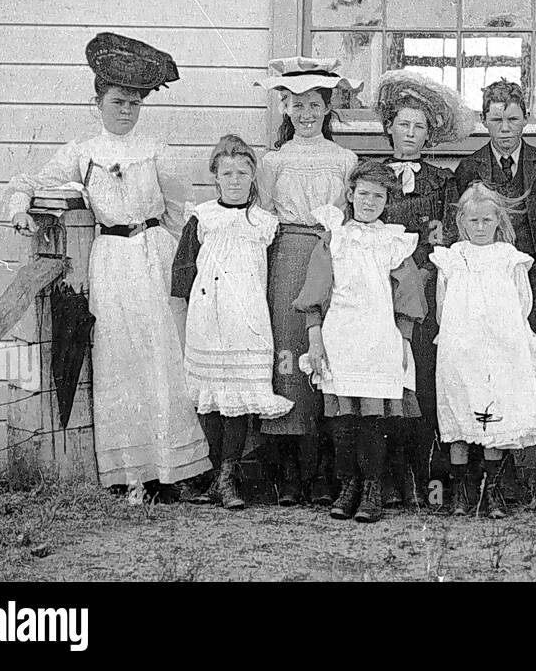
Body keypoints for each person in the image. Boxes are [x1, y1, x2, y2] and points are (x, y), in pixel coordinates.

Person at [8, 32, 210, 500]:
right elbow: (32, 178)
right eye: (119, 101)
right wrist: (21, 206)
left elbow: (183, 210)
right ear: (97, 101)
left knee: (164, 358)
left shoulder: (156, 148)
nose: (127, 110)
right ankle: (129, 473)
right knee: (118, 361)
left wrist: (184, 266)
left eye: (136, 103)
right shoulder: (84, 151)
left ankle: (174, 471)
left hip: (154, 253)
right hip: (113, 260)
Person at [294, 160, 426, 524]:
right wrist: (315, 339)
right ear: (350, 195)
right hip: (340, 335)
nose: (369, 202)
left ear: (388, 200)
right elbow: (317, 292)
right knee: (343, 412)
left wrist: (404, 341)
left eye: (378, 196)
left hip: (380, 337)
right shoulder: (333, 238)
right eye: (363, 194)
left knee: (373, 411)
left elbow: (407, 296)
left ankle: (372, 487)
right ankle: (349, 484)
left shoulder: (393, 241)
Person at [255, 57, 360, 505]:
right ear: (286, 110)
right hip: (287, 254)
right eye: (297, 106)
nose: (306, 114)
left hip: (331, 252)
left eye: (314, 105)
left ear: (327, 109)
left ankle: (326, 470)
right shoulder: (273, 161)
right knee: (289, 351)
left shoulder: (344, 159)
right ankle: (290, 472)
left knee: (329, 348)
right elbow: (262, 215)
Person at [173, 135, 293, 509]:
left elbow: (273, 275)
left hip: (249, 319)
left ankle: (229, 476)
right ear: (215, 177)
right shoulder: (202, 217)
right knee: (211, 397)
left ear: (254, 176)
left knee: (238, 399)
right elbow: (183, 274)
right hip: (209, 317)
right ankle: (210, 475)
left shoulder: (265, 223)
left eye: (243, 172)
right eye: (228, 173)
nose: (236, 179)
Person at [372, 70, 469, 504]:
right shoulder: (370, 176)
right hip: (377, 291)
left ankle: (425, 475)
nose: (409, 133)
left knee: (423, 379)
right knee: (385, 377)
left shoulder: (441, 181)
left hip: (424, 292)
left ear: (428, 135)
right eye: (403, 125)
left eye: (419, 127)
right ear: (389, 127)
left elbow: (444, 236)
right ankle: (386, 477)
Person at [433, 182, 536, 519]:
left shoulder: (509, 259)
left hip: (499, 350)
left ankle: (492, 492)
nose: (480, 227)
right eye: (473, 222)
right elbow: (443, 309)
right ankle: (457, 494)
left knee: (494, 421)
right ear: (462, 223)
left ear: (498, 221)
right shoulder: (452, 258)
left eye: (487, 221)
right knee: (459, 416)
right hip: (460, 349)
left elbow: (522, 305)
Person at [452, 79, 536, 336]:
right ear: (484, 119)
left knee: (529, 341)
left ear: (526, 119)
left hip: (530, 272)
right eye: (497, 120)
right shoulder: (470, 167)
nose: (506, 128)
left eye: (513, 119)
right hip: (482, 273)